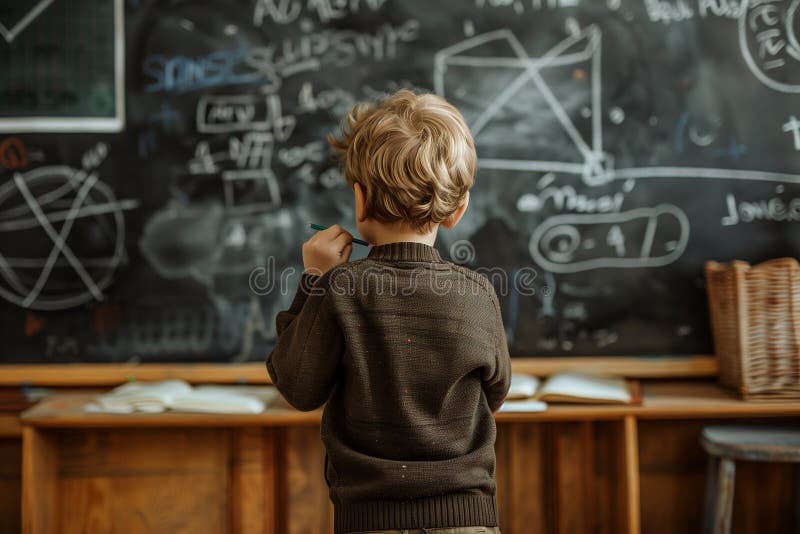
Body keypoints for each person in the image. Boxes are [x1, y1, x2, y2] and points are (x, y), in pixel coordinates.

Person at [267, 89, 511, 534]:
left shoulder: (341, 288)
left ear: (360, 201)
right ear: (458, 211)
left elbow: (297, 386)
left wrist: (314, 281)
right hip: (468, 520)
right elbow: (494, 393)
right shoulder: (478, 294)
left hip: (368, 521)